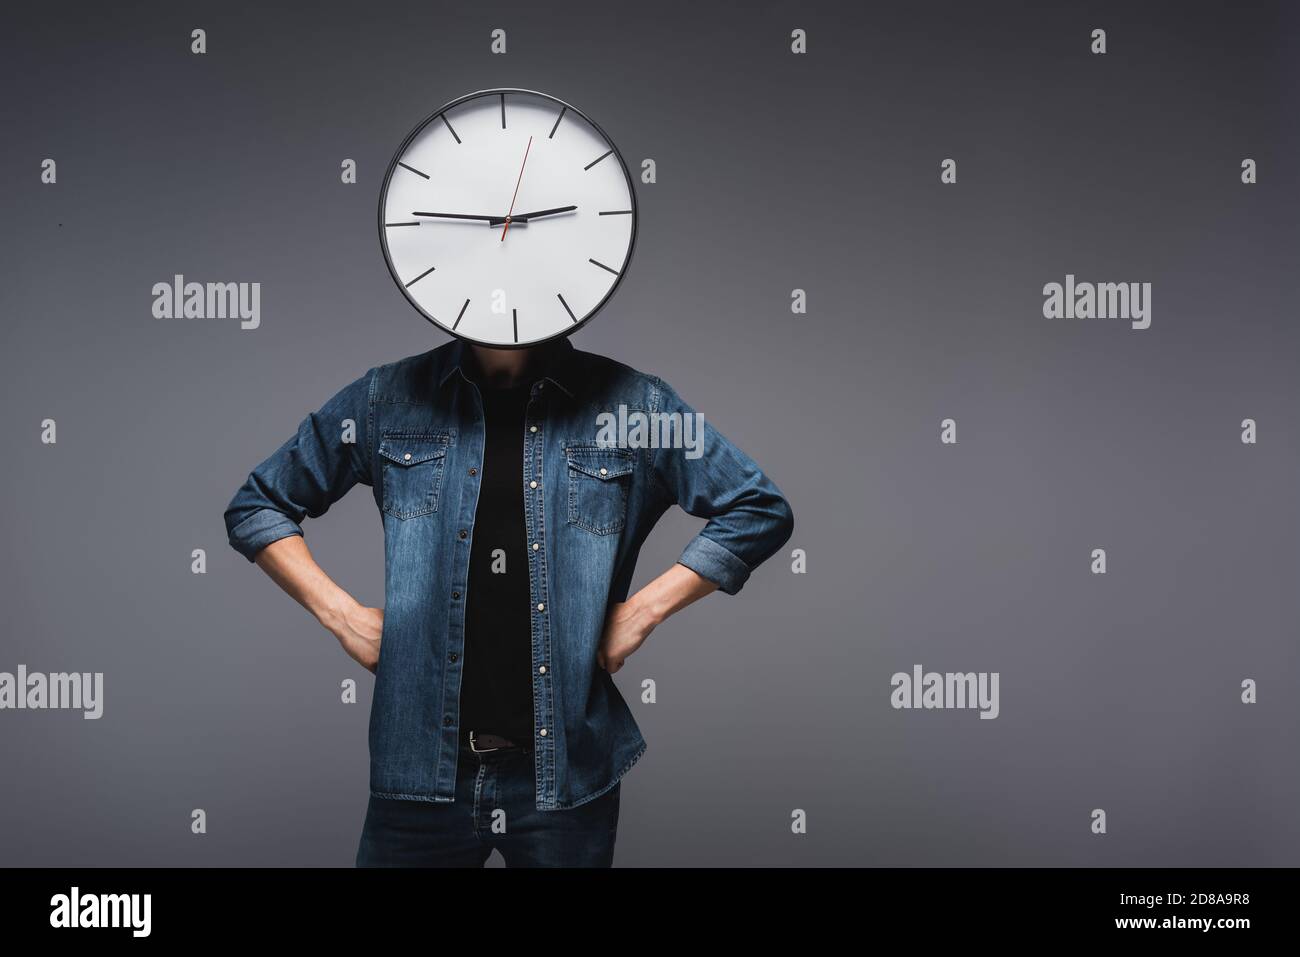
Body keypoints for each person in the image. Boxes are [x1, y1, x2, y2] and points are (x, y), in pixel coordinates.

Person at [223, 335, 793, 867]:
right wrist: (343, 617)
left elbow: (757, 509)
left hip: (564, 774)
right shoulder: (387, 399)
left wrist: (644, 610)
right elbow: (259, 505)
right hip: (419, 769)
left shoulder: (635, 405)